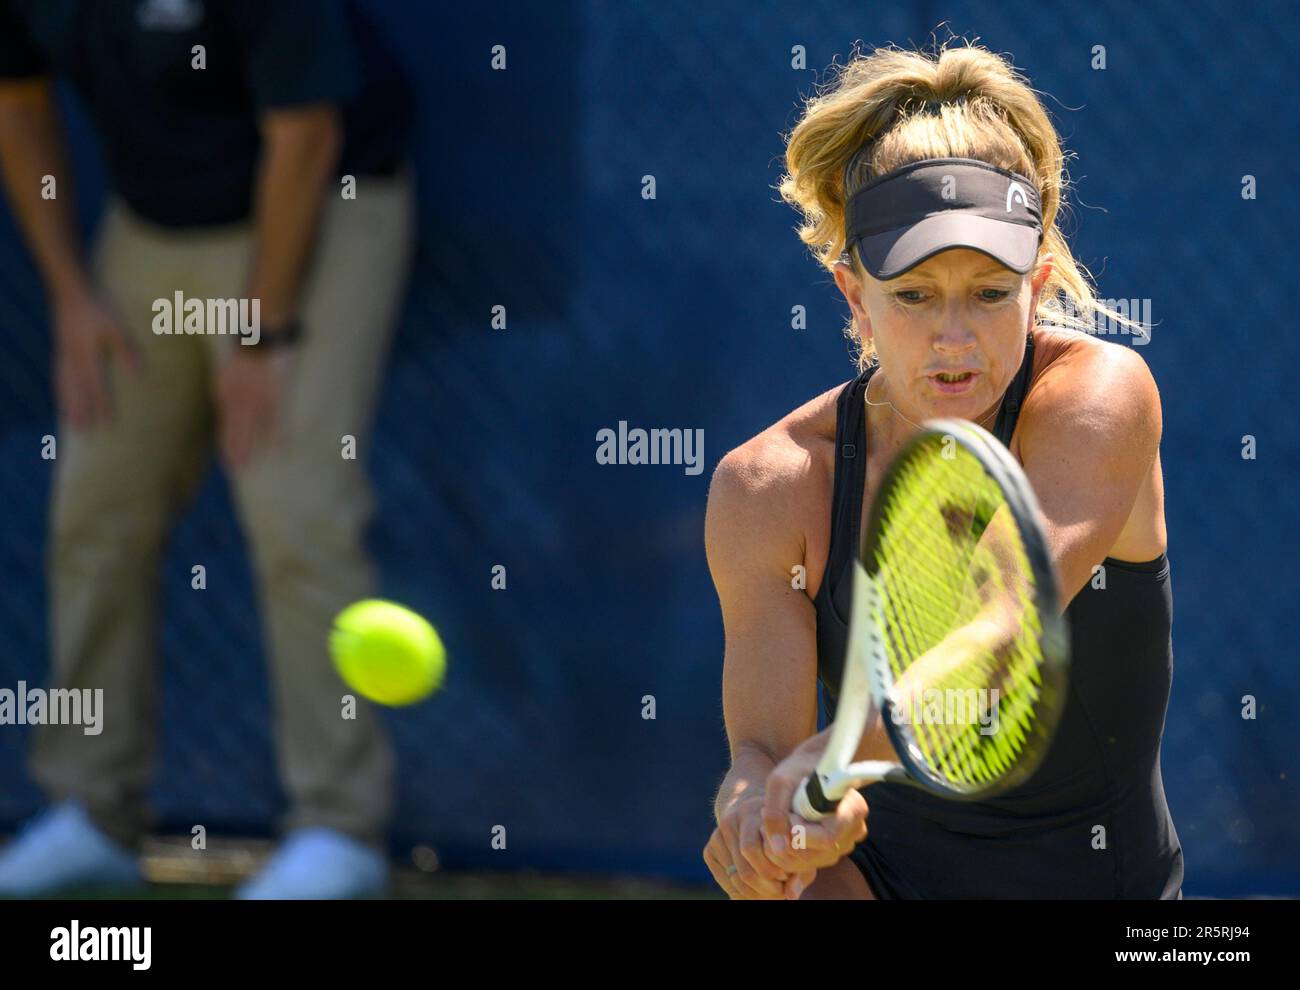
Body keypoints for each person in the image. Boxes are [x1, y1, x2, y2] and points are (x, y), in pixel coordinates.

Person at [702, 42, 1183, 899]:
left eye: (991, 293)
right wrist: (758, 816)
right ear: (855, 296)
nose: (954, 337)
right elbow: (765, 760)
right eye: (915, 295)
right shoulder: (769, 486)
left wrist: (840, 753)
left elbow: (1004, 622)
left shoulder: (1102, 398)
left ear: (1037, 283)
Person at [0, 0, 414, 898]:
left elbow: (304, 133)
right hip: (151, 228)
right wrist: (71, 295)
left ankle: (338, 830)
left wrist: (260, 334)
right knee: (95, 507)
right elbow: (18, 102)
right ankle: (90, 814)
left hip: (323, 198)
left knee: (297, 510)